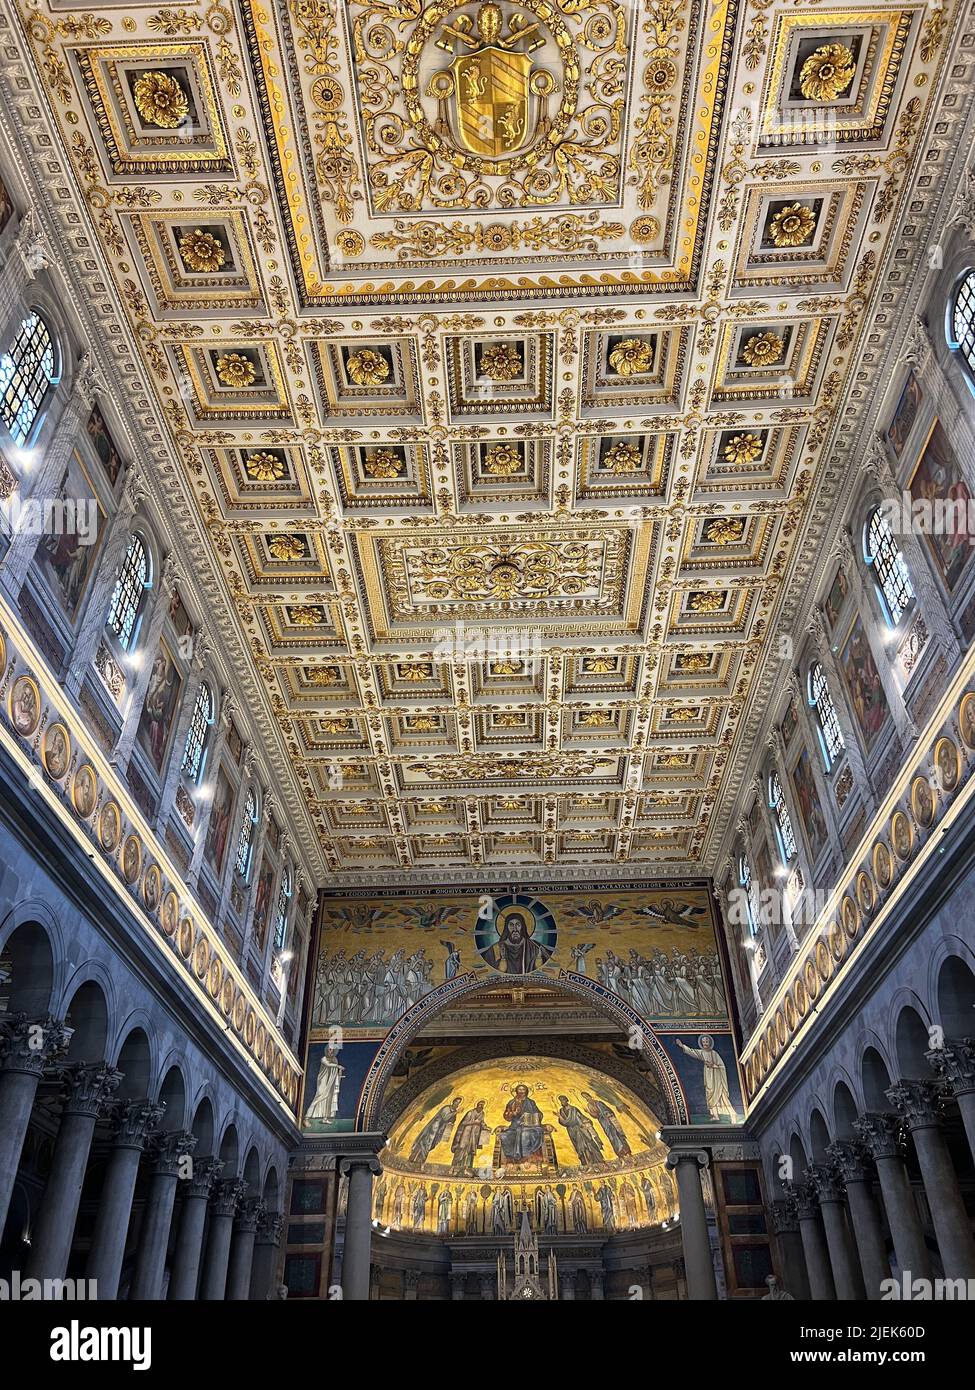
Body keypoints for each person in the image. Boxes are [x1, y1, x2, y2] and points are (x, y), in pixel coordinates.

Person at [675, 1035, 738, 1122]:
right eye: (703, 1042)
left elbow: (722, 1066)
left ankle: (733, 1114)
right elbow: (693, 1052)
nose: (705, 1044)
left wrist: (713, 1065)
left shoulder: (714, 1054)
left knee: (722, 1096)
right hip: (708, 1078)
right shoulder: (702, 1053)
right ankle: (715, 1115)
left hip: (717, 1079)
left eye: (706, 1042)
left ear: (710, 1043)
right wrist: (682, 1046)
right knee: (709, 1095)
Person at [497, 1084, 546, 1166]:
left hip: (530, 1127)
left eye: (523, 1089)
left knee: (525, 1134)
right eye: (519, 1089)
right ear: (516, 1091)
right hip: (515, 1127)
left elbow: (539, 1114)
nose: (521, 1091)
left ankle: (526, 1158)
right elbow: (506, 1116)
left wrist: (530, 1117)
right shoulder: (511, 1102)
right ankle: (510, 1159)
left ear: (526, 1091)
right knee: (505, 1136)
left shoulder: (531, 1102)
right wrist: (514, 1113)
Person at [408, 1096, 463, 1163]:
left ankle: (419, 1161)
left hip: (440, 1130)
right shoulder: (447, 1108)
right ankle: (414, 1159)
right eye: (456, 1102)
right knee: (425, 1143)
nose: (457, 1104)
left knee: (432, 1144)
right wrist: (456, 1112)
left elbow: (451, 1121)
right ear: (453, 1102)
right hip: (434, 1128)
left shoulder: (454, 1111)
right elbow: (445, 1117)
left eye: (459, 1103)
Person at [556, 1094, 604, 1166]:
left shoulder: (574, 1109)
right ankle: (586, 1164)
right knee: (578, 1147)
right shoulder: (561, 1111)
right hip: (572, 1131)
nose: (562, 1102)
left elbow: (581, 1117)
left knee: (587, 1144)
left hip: (580, 1130)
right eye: (561, 1101)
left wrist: (586, 1121)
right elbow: (563, 1123)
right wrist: (560, 1117)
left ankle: (598, 1161)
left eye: (563, 1100)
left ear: (567, 1100)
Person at [582, 1092, 631, 1159]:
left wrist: (606, 1114)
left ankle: (626, 1151)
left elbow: (608, 1110)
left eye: (587, 1097)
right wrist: (588, 1112)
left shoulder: (599, 1103)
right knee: (611, 1137)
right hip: (603, 1122)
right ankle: (620, 1153)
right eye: (584, 1098)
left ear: (590, 1096)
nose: (586, 1099)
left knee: (617, 1134)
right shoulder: (589, 1106)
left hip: (609, 1120)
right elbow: (595, 1116)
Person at [304, 1044, 345, 1124]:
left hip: (331, 1082)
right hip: (323, 1082)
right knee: (318, 1097)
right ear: (326, 1050)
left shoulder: (335, 1059)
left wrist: (339, 1074)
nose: (331, 1051)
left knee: (328, 1099)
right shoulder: (324, 1059)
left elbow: (335, 1072)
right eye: (330, 1049)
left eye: (333, 1050)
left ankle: (325, 1118)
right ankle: (306, 1118)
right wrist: (338, 1066)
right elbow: (328, 1065)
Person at [451, 1098, 492, 1175]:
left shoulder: (482, 1114)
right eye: (480, 1104)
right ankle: (455, 1167)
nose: (481, 1106)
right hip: (466, 1133)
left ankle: (467, 1169)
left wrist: (486, 1127)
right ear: (476, 1105)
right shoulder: (470, 1113)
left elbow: (482, 1123)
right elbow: (463, 1123)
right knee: (462, 1148)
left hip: (474, 1135)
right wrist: (474, 1122)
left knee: (471, 1151)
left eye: (482, 1105)